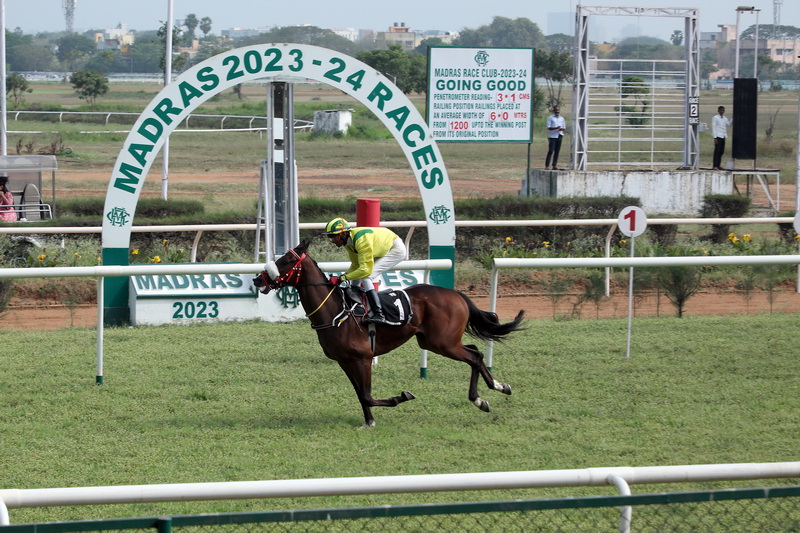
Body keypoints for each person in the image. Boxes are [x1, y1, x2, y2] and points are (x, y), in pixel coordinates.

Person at [324, 217, 406, 324]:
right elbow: (355, 265)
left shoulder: (361, 240)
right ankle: (356, 306)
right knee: (359, 275)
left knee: (366, 276)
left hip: (394, 249)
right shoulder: (348, 243)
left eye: (333, 237)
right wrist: (343, 277)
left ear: (343, 234)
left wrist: (343, 278)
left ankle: (379, 314)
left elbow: (365, 270)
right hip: (381, 248)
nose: (332, 241)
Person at [545, 105, 567, 170]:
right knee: (551, 150)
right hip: (552, 136)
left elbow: (564, 127)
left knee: (557, 151)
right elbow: (548, 127)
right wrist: (555, 128)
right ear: (554, 110)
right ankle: (547, 165)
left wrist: (561, 129)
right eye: (556, 110)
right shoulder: (550, 118)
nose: (557, 111)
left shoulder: (562, 118)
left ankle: (554, 165)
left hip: (560, 135)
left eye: (558, 110)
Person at [711, 105, 732, 170]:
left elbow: (729, 124)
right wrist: (715, 137)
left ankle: (718, 165)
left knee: (721, 151)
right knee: (717, 151)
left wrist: (733, 119)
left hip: (723, 136)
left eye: (723, 110)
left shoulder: (725, 118)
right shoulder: (715, 118)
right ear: (718, 111)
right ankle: (715, 165)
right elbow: (713, 127)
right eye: (720, 110)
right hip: (718, 136)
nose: (722, 111)